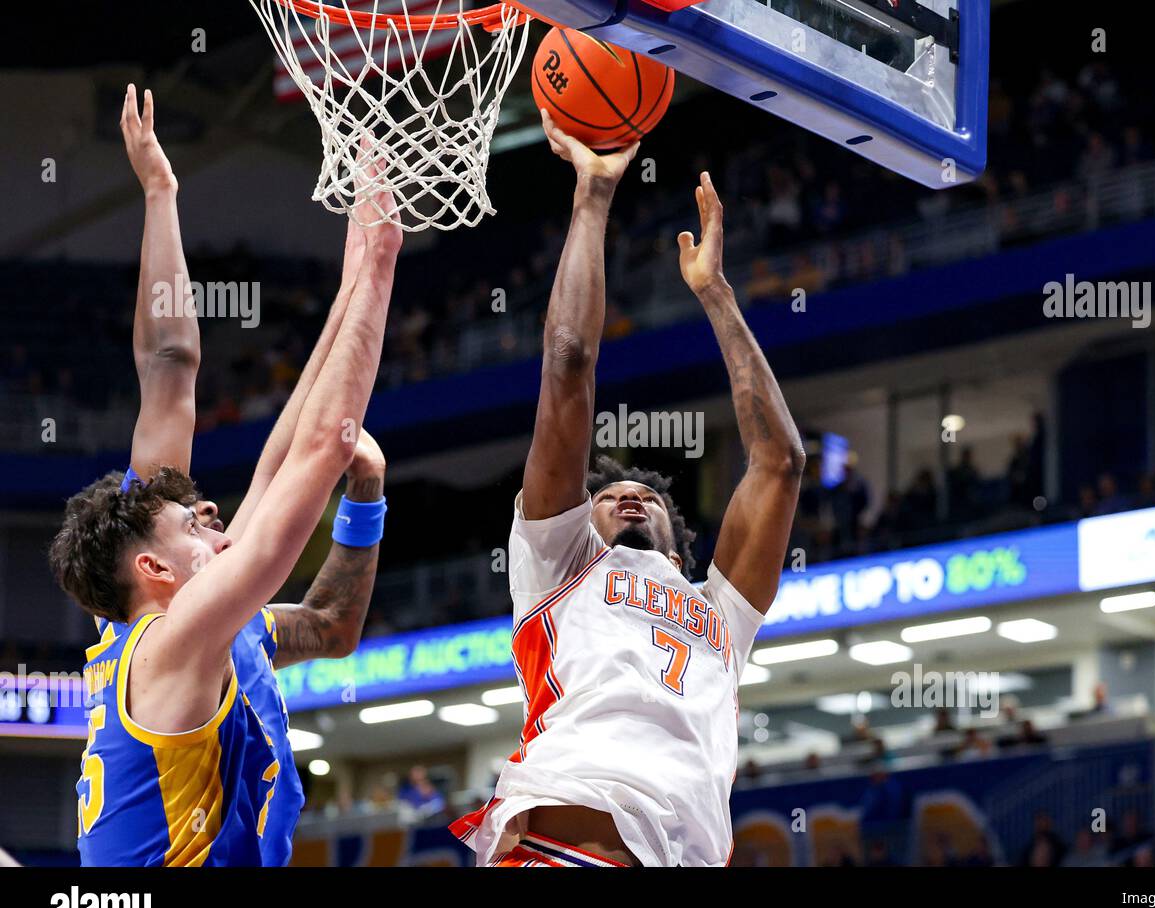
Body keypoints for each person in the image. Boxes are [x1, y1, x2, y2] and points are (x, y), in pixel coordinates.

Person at [49, 91, 401, 866]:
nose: (211, 506)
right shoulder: (175, 641)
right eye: (192, 520)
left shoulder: (195, 626)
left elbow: (171, 371)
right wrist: (377, 265)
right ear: (153, 568)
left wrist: (161, 195)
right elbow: (315, 451)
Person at [450, 113, 804, 867]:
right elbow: (570, 362)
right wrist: (593, 194)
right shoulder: (562, 565)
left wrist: (716, 295)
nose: (633, 497)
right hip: (565, 843)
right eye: (612, 496)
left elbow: (780, 463)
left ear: (680, 538)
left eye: (651, 497)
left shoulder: (720, 612)